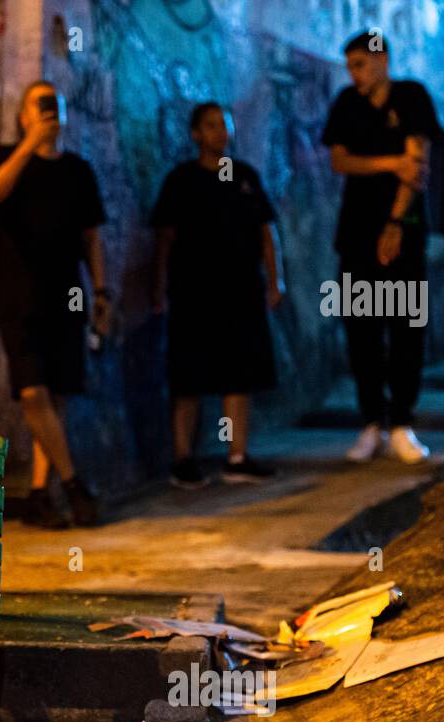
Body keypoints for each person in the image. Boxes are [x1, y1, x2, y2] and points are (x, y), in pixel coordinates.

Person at [0, 80, 109, 527]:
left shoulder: (78, 170)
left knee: (55, 397)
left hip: (66, 298)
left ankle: (39, 493)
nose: (49, 112)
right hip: (18, 297)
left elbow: (92, 237)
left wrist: (101, 292)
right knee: (32, 391)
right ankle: (75, 484)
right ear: (24, 117)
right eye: (39, 106)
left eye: (54, 105)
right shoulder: (6, 158)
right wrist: (28, 147)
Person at [150, 102, 284, 488]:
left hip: (241, 293)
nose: (220, 133)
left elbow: (265, 233)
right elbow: (164, 239)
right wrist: (157, 288)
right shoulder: (182, 180)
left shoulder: (243, 177)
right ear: (196, 133)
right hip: (193, 295)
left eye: (225, 126)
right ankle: (183, 458)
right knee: (188, 378)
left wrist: (276, 280)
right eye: (211, 126)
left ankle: (236, 456)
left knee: (237, 377)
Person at [323, 31, 441, 464]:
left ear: (382, 60)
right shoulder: (347, 104)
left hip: (404, 229)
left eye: (360, 64)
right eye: (349, 66)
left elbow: (418, 164)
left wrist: (395, 222)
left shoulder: (411, 97)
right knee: (362, 328)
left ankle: (402, 423)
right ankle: (371, 421)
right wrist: (390, 162)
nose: (354, 74)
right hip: (355, 232)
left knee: (406, 327)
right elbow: (340, 160)